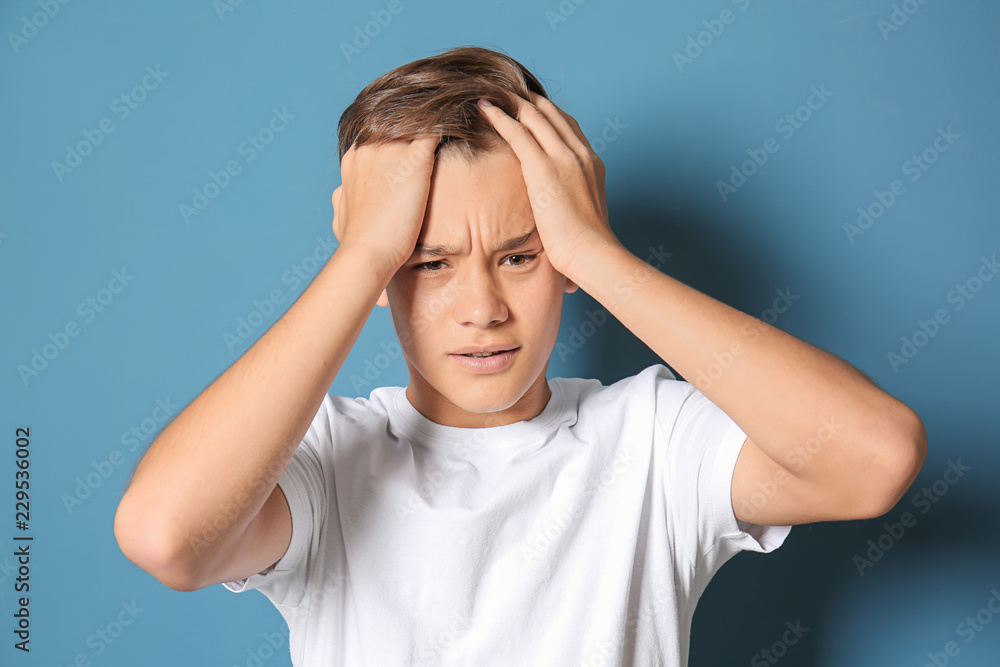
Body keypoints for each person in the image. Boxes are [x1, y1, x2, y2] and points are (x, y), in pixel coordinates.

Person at [113, 45, 927, 666]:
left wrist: (598, 254)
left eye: (520, 255)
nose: (482, 309)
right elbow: (164, 535)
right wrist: (359, 256)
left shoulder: (652, 440)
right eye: (430, 262)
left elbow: (875, 456)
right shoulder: (325, 460)